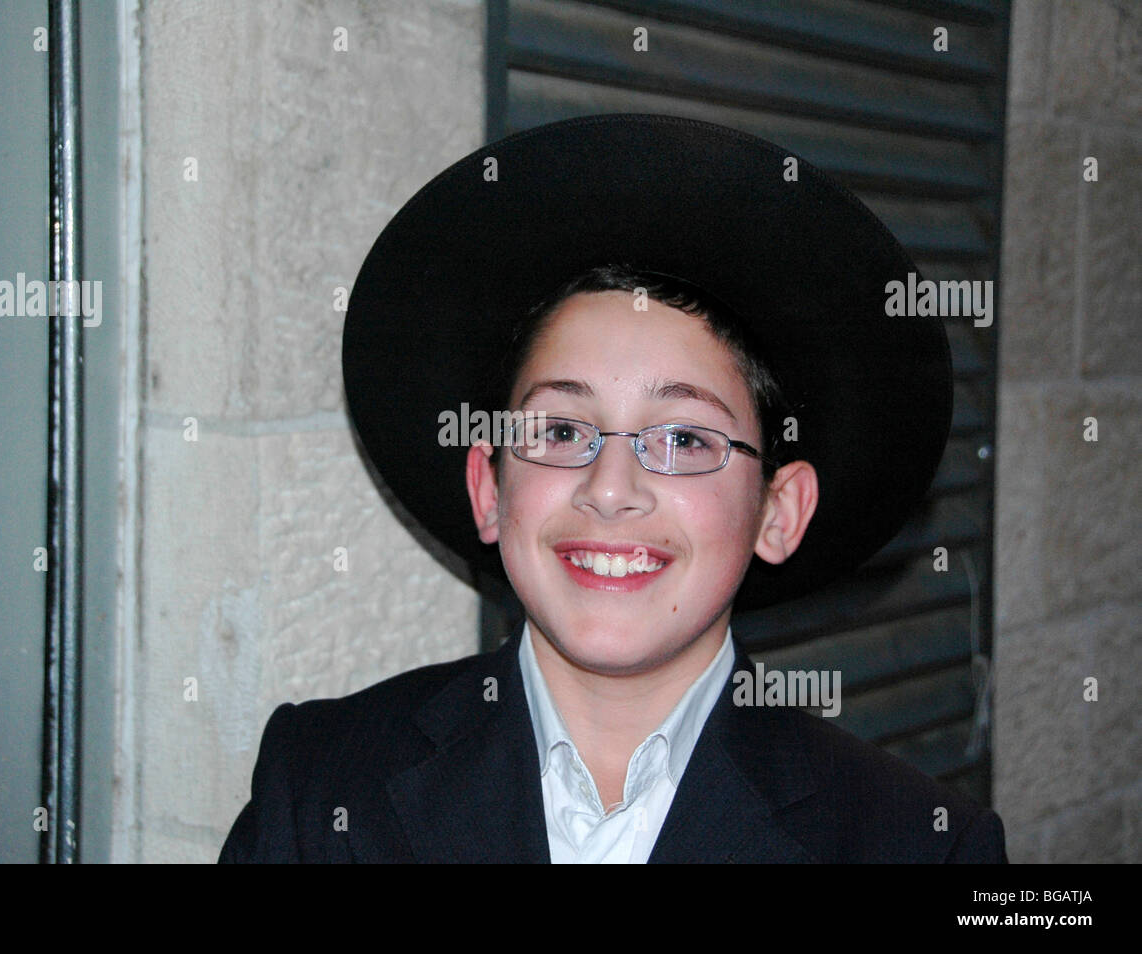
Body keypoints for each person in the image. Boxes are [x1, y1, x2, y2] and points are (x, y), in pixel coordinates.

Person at [219, 114, 1008, 863]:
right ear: (489, 487)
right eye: (562, 432)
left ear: (778, 510)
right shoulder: (320, 786)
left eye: (684, 439)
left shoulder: (918, 846)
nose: (610, 487)